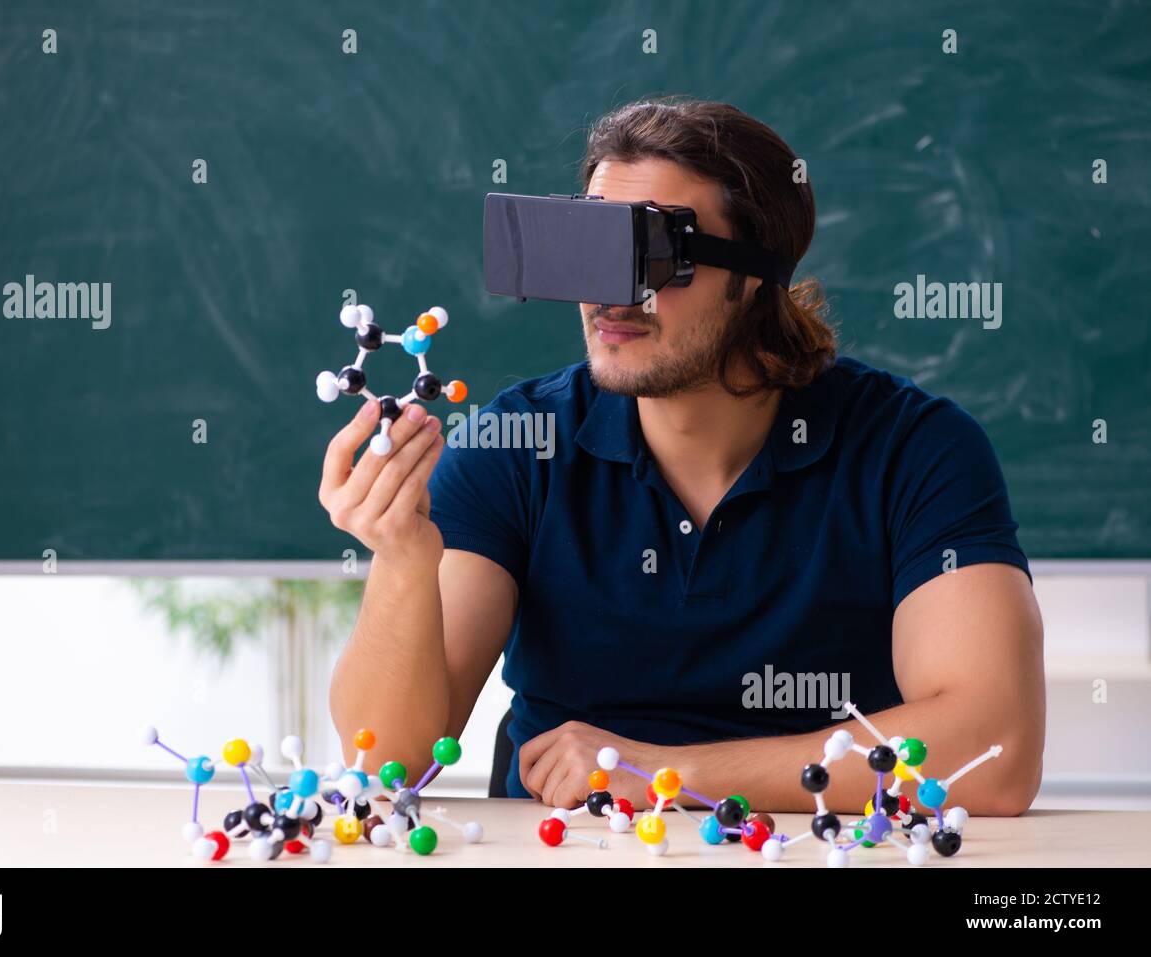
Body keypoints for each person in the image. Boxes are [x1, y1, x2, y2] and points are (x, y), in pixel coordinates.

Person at [323, 98, 1043, 813]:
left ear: (755, 273)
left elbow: (994, 751)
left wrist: (669, 774)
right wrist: (402, 559)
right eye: (593, 248)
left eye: (656, 254)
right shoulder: (515, 446)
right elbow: (386, 758)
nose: (613, 296)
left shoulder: (916, 450)